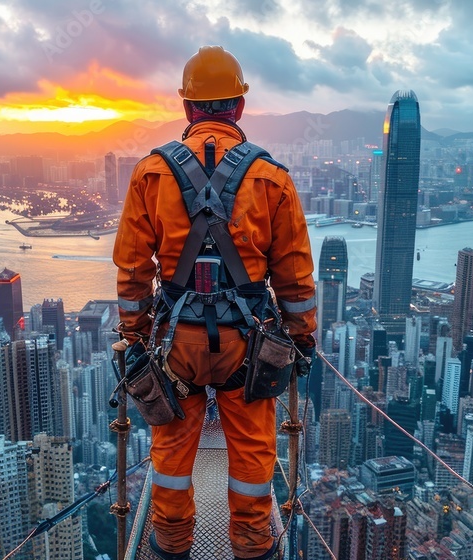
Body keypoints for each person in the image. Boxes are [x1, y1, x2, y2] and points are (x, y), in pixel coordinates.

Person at [113, 46, 317, 560]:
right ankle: (251, 546)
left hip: (174, 343)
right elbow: (294, 277)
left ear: (187, 108)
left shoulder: (150, 174)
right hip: (247, 343)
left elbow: (134, 271)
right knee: (251, 451)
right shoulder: (272, 178)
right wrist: (300, 337)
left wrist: (135, 335)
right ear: (239, 109)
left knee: (171, 450)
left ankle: (172, 546)